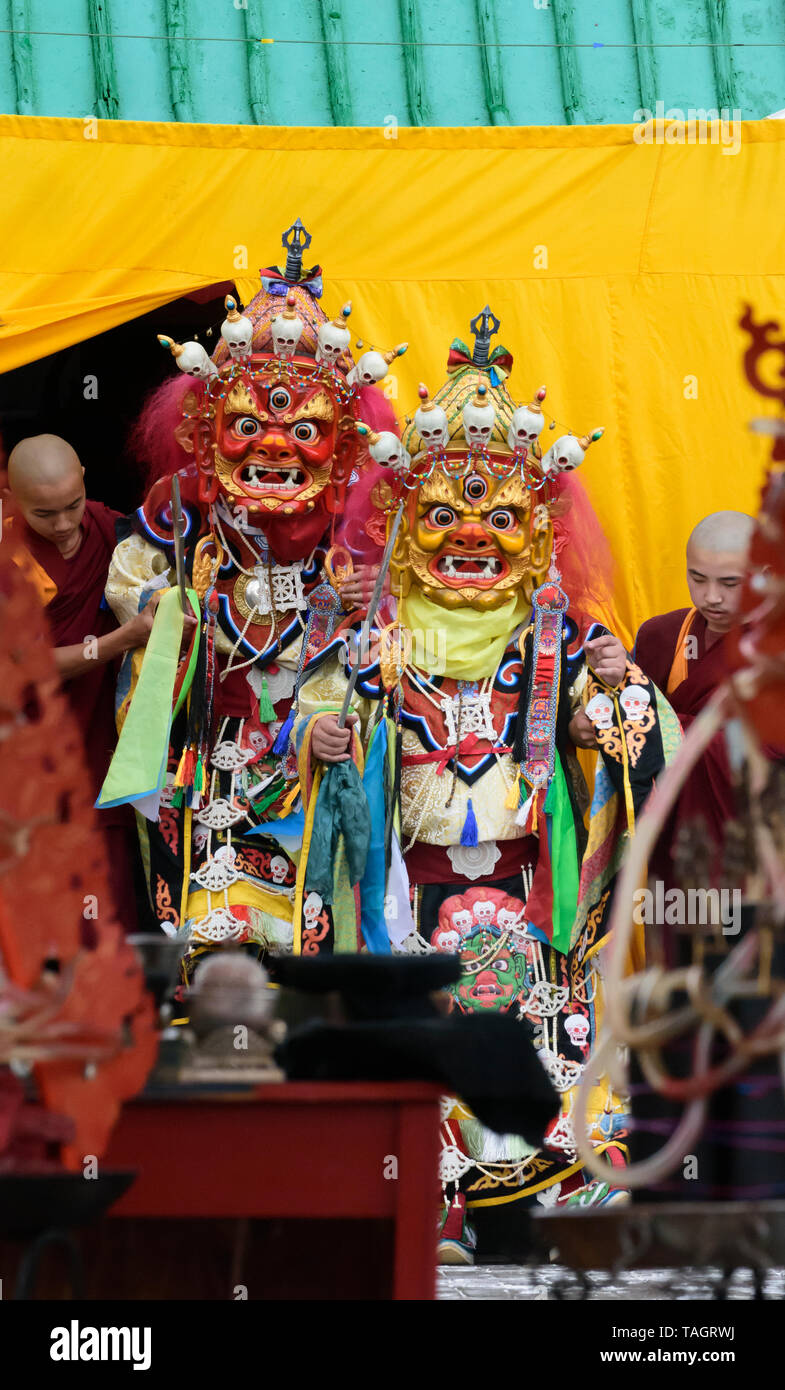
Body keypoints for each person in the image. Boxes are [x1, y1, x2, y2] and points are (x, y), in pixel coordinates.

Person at [295, 313, 681, 1261]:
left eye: (500, 517)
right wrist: (324, 732)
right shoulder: (371, 625)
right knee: (421, 1044)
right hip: (410, 886)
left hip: (525, 882)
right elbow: (301, 718)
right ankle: (430, 1214)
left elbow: (634, 725)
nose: (471, 535)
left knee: (540, 1039)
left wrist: (602, 722)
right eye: (444, 514)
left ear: (538, 527)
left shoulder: (557, 624)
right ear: (407, 517)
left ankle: (556, 1213)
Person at [101, 221, 399, 975]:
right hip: (200, 754)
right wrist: (197, 600)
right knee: (205, 924)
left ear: (344, 442)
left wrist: (365, 607)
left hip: (304, 751)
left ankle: (302, 1070)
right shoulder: (182, 508)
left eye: (305, 428)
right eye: (245, 425)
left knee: (302, 927)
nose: (273, 446)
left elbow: (392, 651)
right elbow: (133, 592)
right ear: (204, 428)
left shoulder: (358, 523)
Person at [4, 433, 156, 931]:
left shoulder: (110, 528)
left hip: (99, 740)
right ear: (12, 497)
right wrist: (120, 639)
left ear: (85, 479)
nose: (66, 524)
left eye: (71, 505)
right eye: (44, 515)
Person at [634, 510, 755, 873]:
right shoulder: (659, 635)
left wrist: (657, 725)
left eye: (730, 584)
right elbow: (632, 734)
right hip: (673, 839)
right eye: (698, 578)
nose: (711, 597)